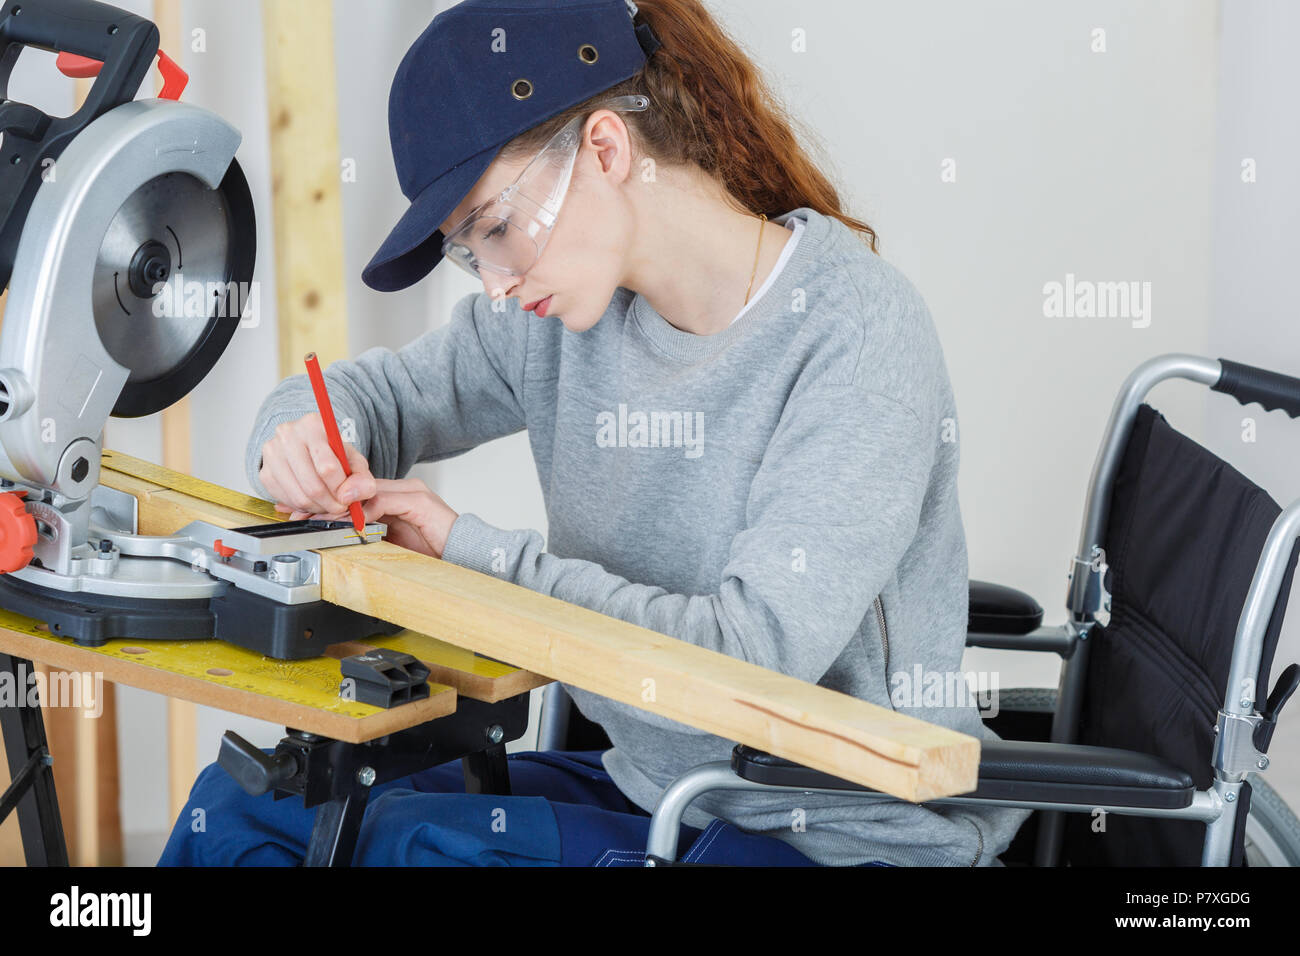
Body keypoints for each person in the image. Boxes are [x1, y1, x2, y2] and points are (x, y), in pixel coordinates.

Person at [159, 0, 1029, 867]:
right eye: (471, 251)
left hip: (832, 830)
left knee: (411, 851)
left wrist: (473, 555)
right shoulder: (561, 319)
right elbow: (376, 398)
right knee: (238, 811)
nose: (494, 284)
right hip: (656, 792)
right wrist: (302, 434)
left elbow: (747, 664)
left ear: (607, 150)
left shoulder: (856, 335)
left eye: (495, 229)